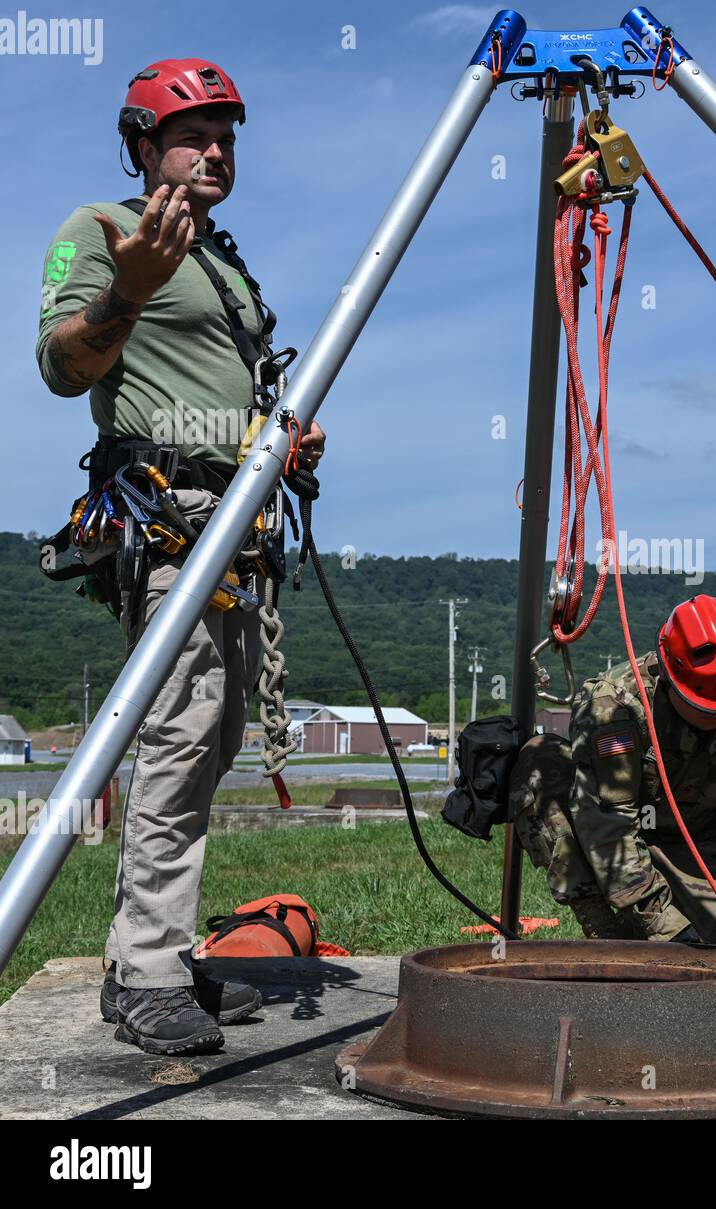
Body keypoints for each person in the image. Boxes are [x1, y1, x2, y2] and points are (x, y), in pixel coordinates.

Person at [36, 59, 324, 1055]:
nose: (215, 151)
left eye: (227, 137)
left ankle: (148, 960)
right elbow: (60, 367)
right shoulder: (104, 232)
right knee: (176, 738)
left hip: (233, 524)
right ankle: (149, 972)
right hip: (168, 524)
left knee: (206, 744)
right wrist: (128, 289)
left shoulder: (225, 261)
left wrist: (278, 438)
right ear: (144, 148)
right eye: (193, 135)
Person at [510, 595, 716, 950]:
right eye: (700, 706)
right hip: (611, 838)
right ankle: (606, 928)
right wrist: (664, 925)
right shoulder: (618, 708)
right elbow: (609, 826)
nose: (713, 718)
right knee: (540, 762)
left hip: (698, 839)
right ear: (669, 675)